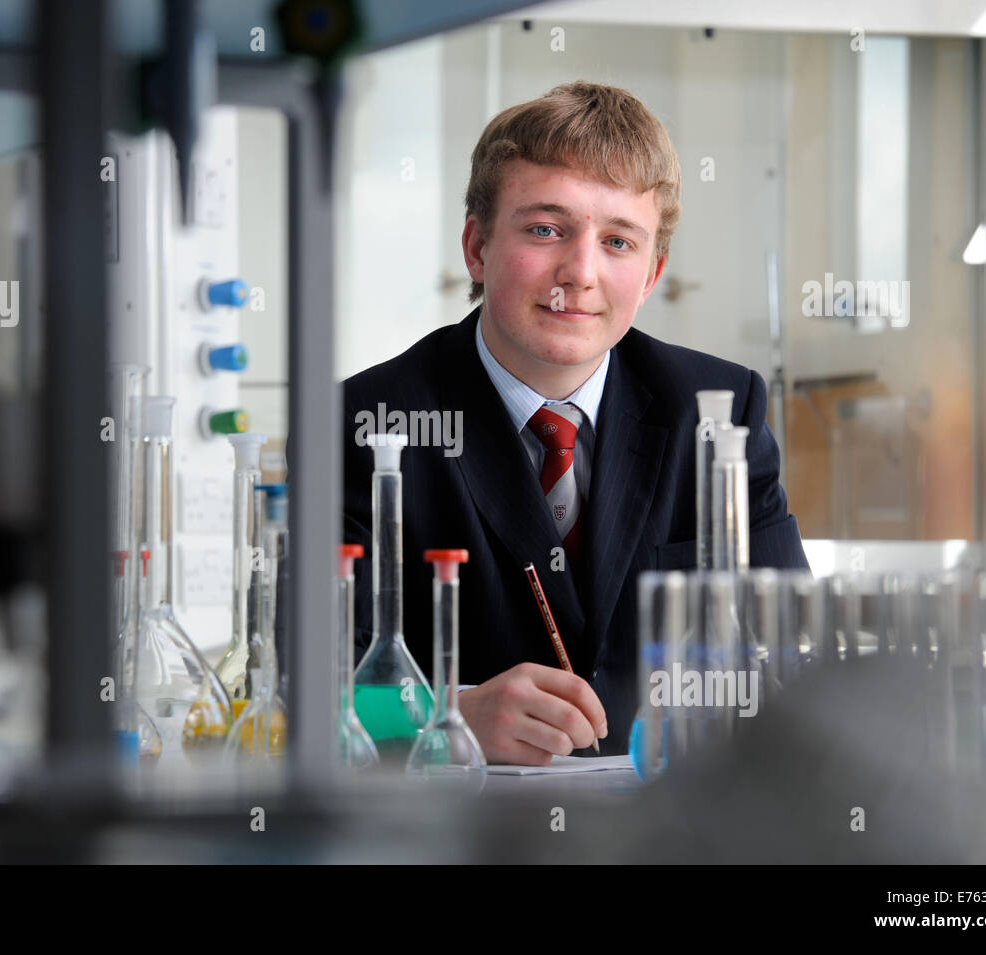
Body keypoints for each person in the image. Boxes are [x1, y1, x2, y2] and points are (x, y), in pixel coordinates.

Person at [342, 81, 809, 764]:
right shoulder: (366, 421)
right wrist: (449, 713)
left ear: (651, 275)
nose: (581, 272)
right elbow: (305, 681)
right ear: (477, 248)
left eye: (619, 241)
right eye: (544, 229)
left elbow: (791, 650)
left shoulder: (720, 410)